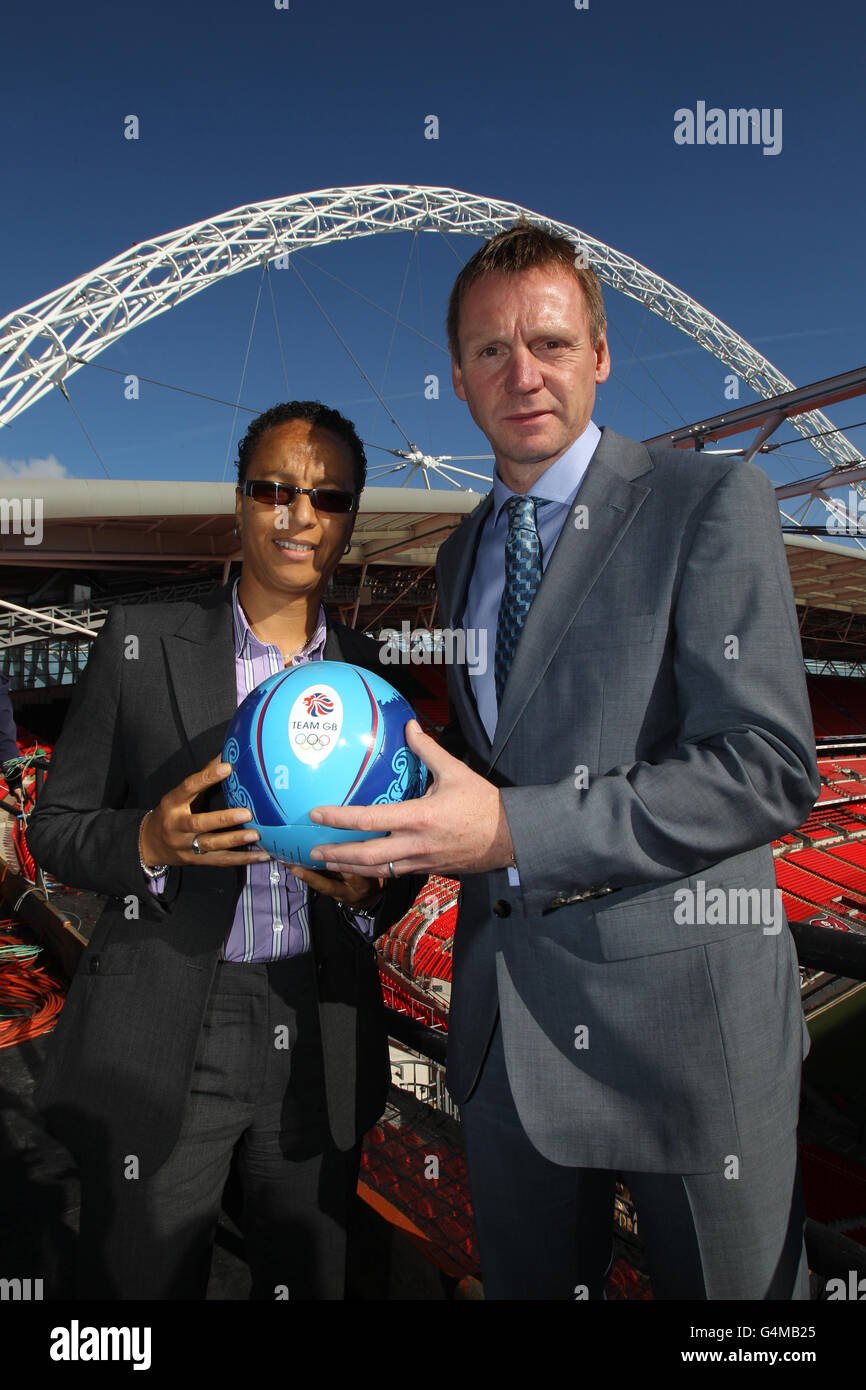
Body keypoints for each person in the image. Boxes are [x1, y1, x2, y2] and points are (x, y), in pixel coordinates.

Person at [308, 225, 821, 1300]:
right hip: (507, 1041)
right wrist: (385, 854)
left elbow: (765, 765)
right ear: (455, 379)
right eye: (490, 351)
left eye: (548, 341)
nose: (521, 373)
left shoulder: (705, 503)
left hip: (686, 1044)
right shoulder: (459, 554)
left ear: (598, 355)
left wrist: (510, 833)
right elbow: (496, 769)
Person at [27, 399, 420, 1300]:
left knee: (309, 1276)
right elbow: (55, 828)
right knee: (137, 1290)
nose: (299, 516)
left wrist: (368, 895)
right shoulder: (139, 645)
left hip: (317, 1025)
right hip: (169, 1024)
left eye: (328, 498)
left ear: (350, 518)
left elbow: (405, 859)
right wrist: (148, 841)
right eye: (274, 489)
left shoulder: (372, 678)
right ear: (239, 500)